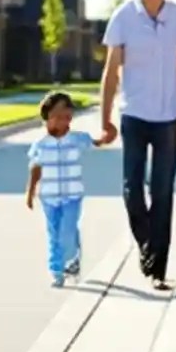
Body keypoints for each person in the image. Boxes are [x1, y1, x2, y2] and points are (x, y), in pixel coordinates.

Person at [100, 0, 176, 290]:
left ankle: (158, 269)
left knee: (163, 191)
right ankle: (146, 243)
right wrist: (105, 118)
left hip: (168, 118)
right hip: (134, 116)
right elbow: (111, 73)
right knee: (132, 190)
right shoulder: (124, 18)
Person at [26, 91, 113, 288]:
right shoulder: (40, 145)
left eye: (67, 116)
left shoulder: (77, 139)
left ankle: (72, 257)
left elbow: (96, 142)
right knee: (54, 234)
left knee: (67, 231)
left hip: (72, 196)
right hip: (49, 197)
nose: (63, 120)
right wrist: (30, 193)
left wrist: (107, 137)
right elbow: (35, 169)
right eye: (57, 116)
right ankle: (57, 271)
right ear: (47, 118)